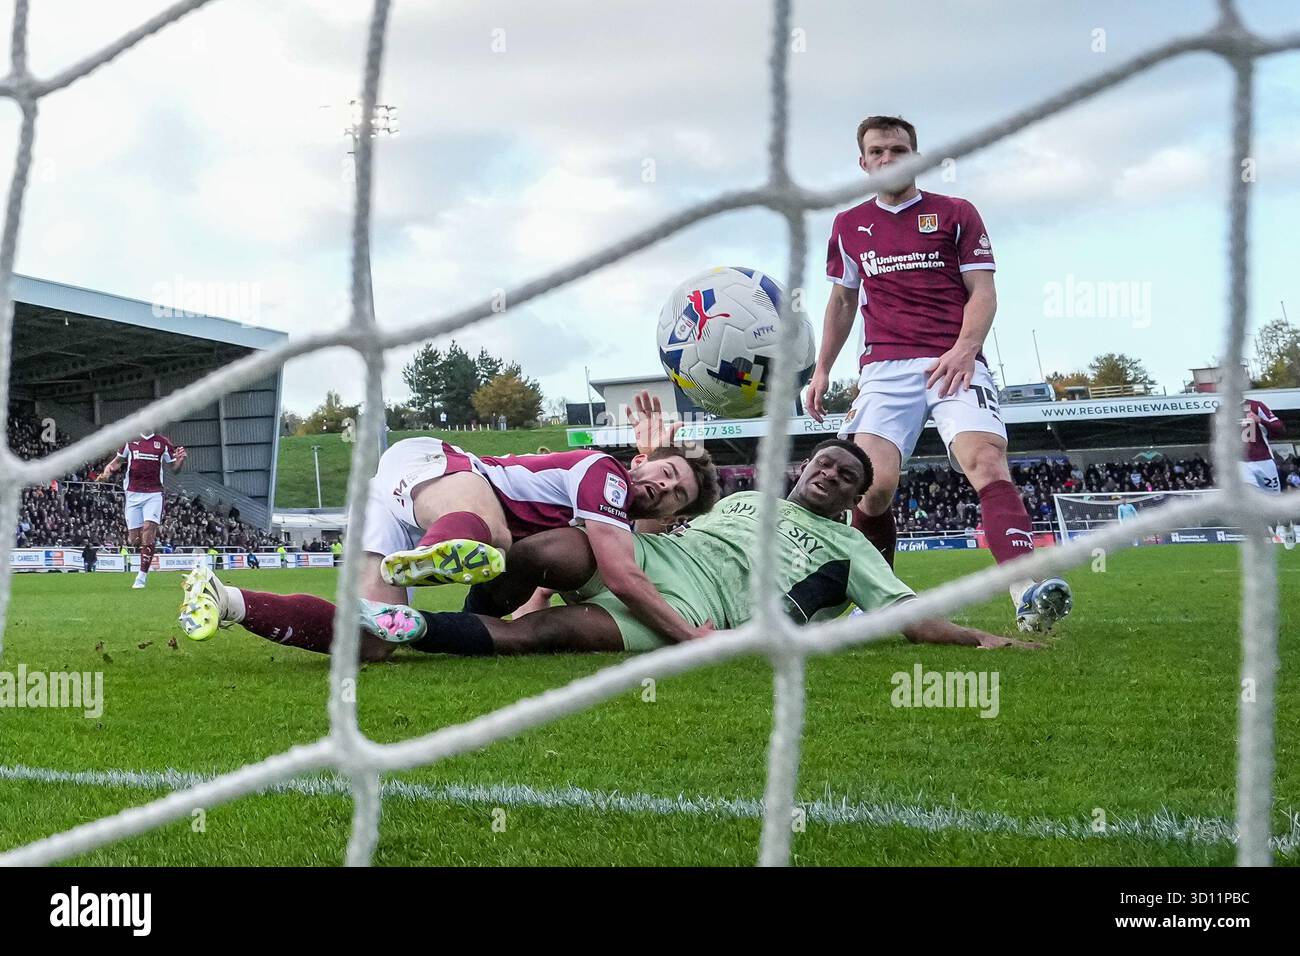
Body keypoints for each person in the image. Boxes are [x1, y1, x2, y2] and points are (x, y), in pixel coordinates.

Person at [186, 440, 1040, 658]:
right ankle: (467, 564)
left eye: (842, 472)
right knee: (549, 552)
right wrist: (655, 470)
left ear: (860, 496)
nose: (825, 471)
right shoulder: (737, 498)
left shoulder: (853, 553)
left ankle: (234, 604)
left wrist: (983, 638)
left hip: (702, 607)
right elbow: (639, 532)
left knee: (539, 634)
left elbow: (910, 618)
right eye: (820, 459)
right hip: (661, 581)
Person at [180, 392, 722, 655]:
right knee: (498, 534)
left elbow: (600, 562)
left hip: (396, 501)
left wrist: (525, 611)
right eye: (667, 471)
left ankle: (228, 600)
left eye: (677, 496)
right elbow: (624, 577)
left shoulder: (615, 514)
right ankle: (438, 553)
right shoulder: (604, 472)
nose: (666, 488)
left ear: (674, 515)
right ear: (639, 460)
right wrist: (689, 636)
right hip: (437, 469)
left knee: (369, 643)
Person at [804, 114, 1070, 632]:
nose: (887, 159)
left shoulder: (956, 213)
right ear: (863, 163)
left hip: (954, 361)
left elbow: (983, 291)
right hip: (883, 371)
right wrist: (821, 371)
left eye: (898, 150)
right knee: (874, 487)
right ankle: (878, 605)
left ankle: (1026, 593)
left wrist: (966, 348)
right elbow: (841, 300)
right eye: (877, 152)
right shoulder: (848, 226)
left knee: (987, 462)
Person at [97, 430, 187, 589]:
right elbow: (117, 461)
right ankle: (147, 554)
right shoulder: (130, 440)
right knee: (134, 540)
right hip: (132, 494)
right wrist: (107, 471)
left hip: (153, 494)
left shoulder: (162, 442)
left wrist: (180, 461)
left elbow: (174, 468)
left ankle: (141, 577)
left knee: (148, 529)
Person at [1240, 397, 1296, 549]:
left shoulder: (1255, 406)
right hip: (1241, 463)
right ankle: (1264, 534)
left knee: (1274, 501)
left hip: (1263, 460)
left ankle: (1286, 526)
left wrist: (1260, 420)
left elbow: (1279, 427)